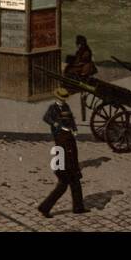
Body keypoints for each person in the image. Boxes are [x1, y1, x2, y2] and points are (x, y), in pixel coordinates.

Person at [38, 89, 86, 217]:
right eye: (61, 99)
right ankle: (44, 207)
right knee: (64, 185)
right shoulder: (53, 109)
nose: (62, 101)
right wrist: (56, 124)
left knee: (75, 182)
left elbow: (71, 120)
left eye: (64, 99)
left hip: (70, 153)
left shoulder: (66, 107)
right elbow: (46, 118)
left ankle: (78, 207)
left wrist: (74, 129)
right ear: (57, 98)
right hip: (64, 155)